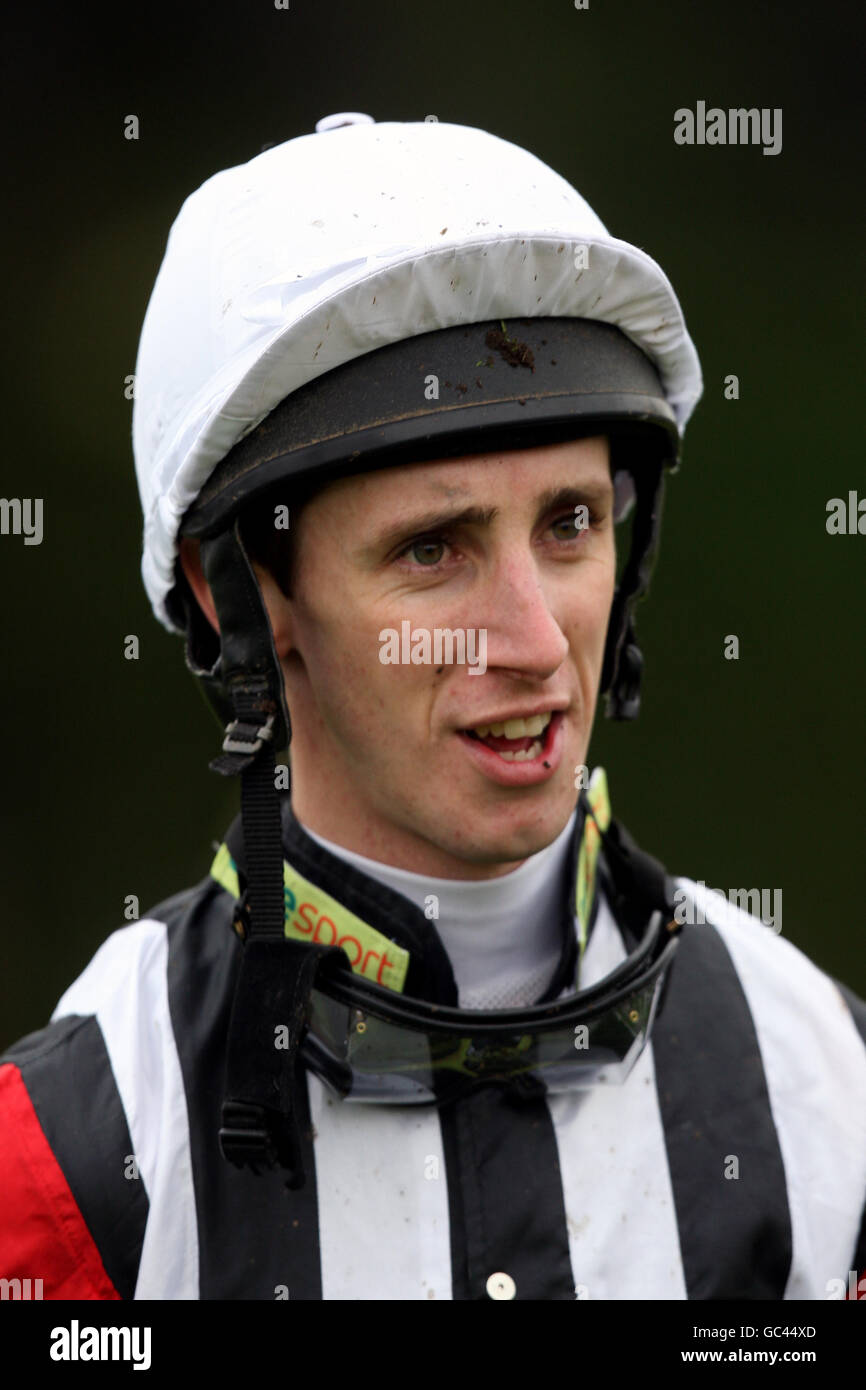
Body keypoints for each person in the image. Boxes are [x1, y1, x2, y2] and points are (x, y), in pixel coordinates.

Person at [1, 114, 864, 1303]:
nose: (529, 639)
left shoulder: (828, 1083)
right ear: (242, 597)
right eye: (431, 549)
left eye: (568, 523)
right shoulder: (73, 1159)